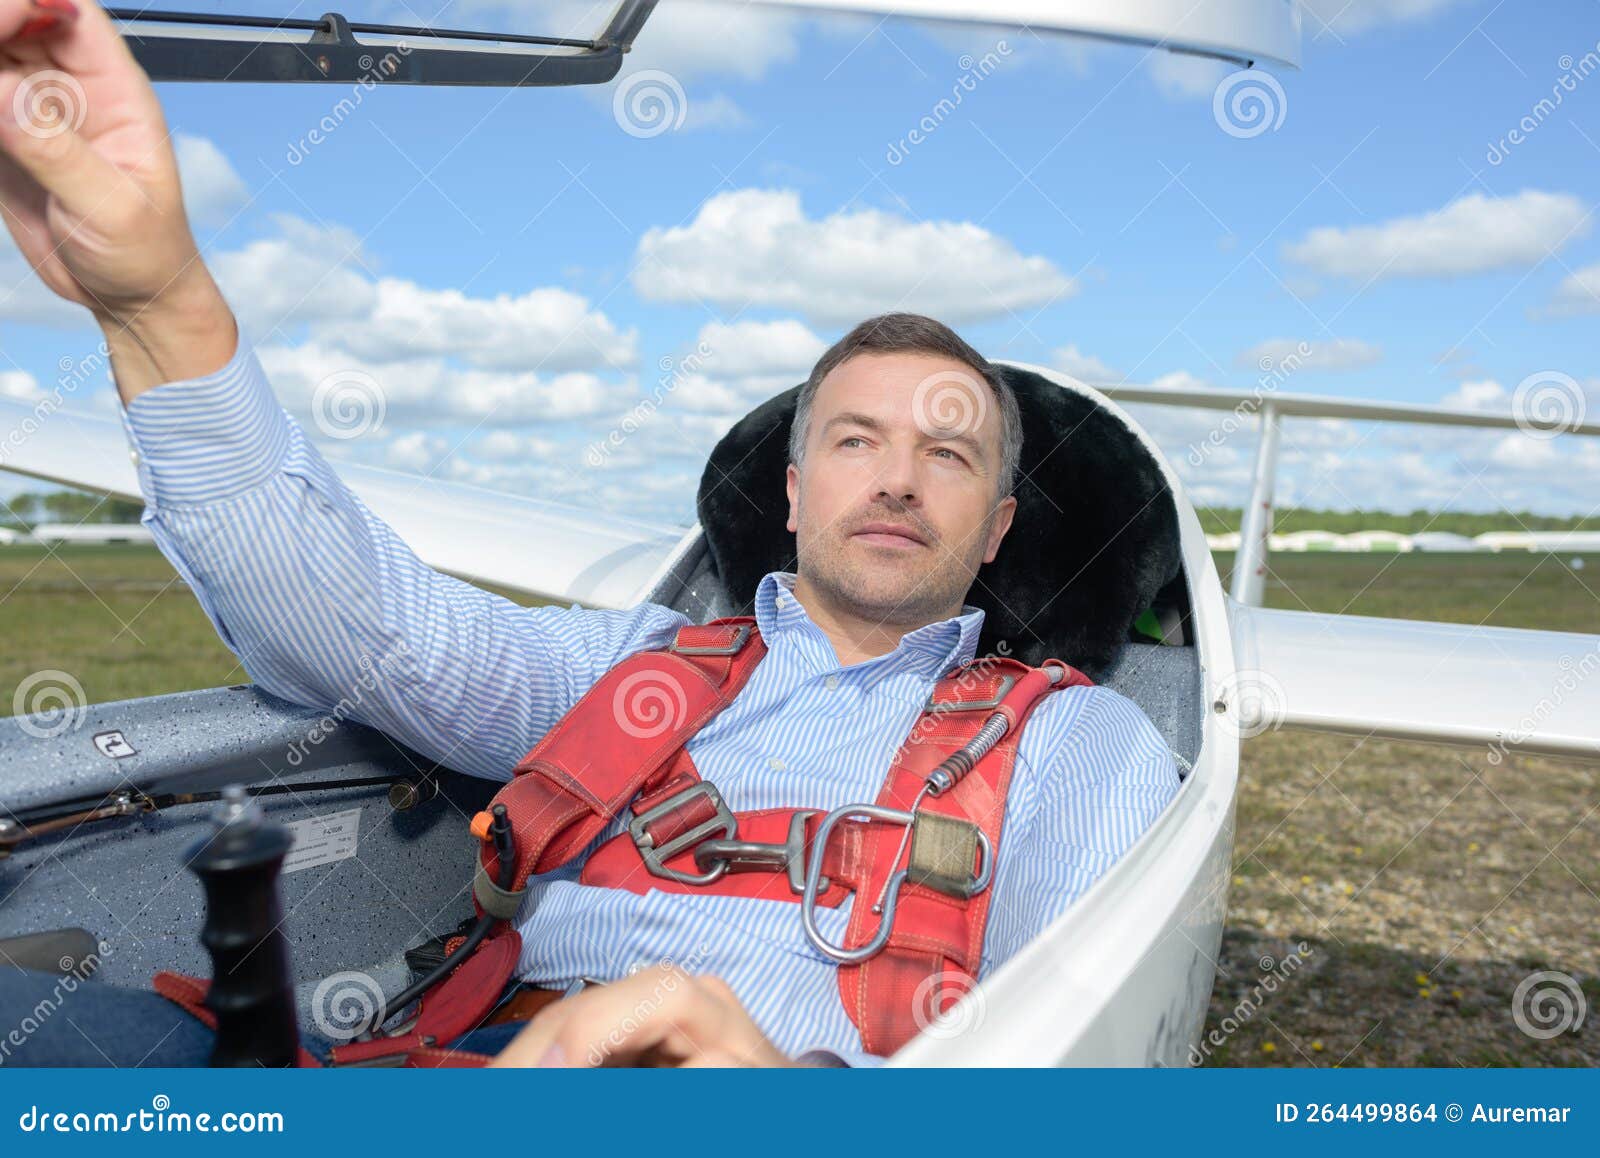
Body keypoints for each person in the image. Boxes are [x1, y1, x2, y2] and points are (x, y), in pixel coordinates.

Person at [0, 1, 1179, 1067]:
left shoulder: (1080, 744)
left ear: (996, 528)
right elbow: (360, 632)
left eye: (950, 454)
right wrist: (160, 303)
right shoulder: (632, 667)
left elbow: (1070, 1063)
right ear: (790, 493)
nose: (899, 481)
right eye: (857, 440)